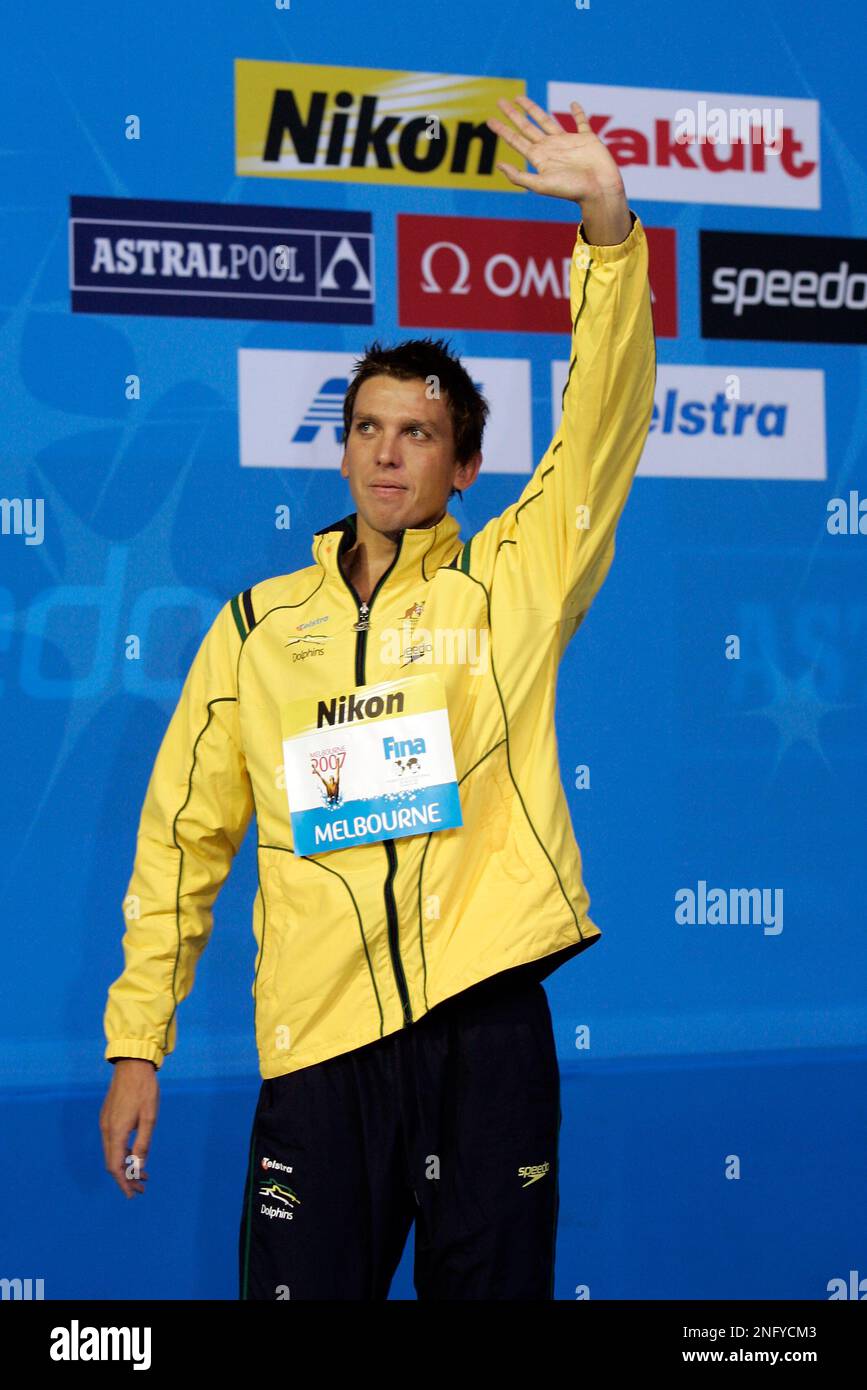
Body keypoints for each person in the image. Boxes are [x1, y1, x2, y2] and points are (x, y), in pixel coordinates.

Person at [100, 94, 657, 1300]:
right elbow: (183, 843)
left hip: (482, 1035)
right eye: (368, 428)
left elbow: (602, 431)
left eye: (419, 432)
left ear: (463, 466)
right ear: (342, 449)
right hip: (320, 1049)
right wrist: (138, 1039)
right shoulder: (255, 630)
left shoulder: (512, 578)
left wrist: (608, 233)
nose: (389, 451)